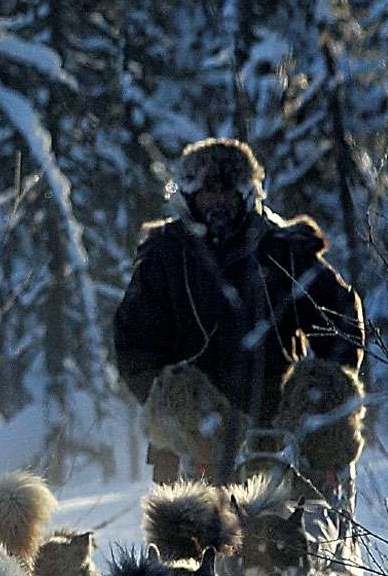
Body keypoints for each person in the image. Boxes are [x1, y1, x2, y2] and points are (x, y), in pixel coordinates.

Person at [113, 137, 365, 487]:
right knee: (176, 392)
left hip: (280, 415)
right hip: (198, 421)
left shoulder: (286, 248)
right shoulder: (164, 256)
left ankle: (322, 520)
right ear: (189, 196)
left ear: (246, 193)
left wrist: (321, 387)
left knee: (325, 395)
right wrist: (167, 401)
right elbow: (134, 343)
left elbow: (339, 318)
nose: (217, 201)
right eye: (207, 192)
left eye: (227, 192)